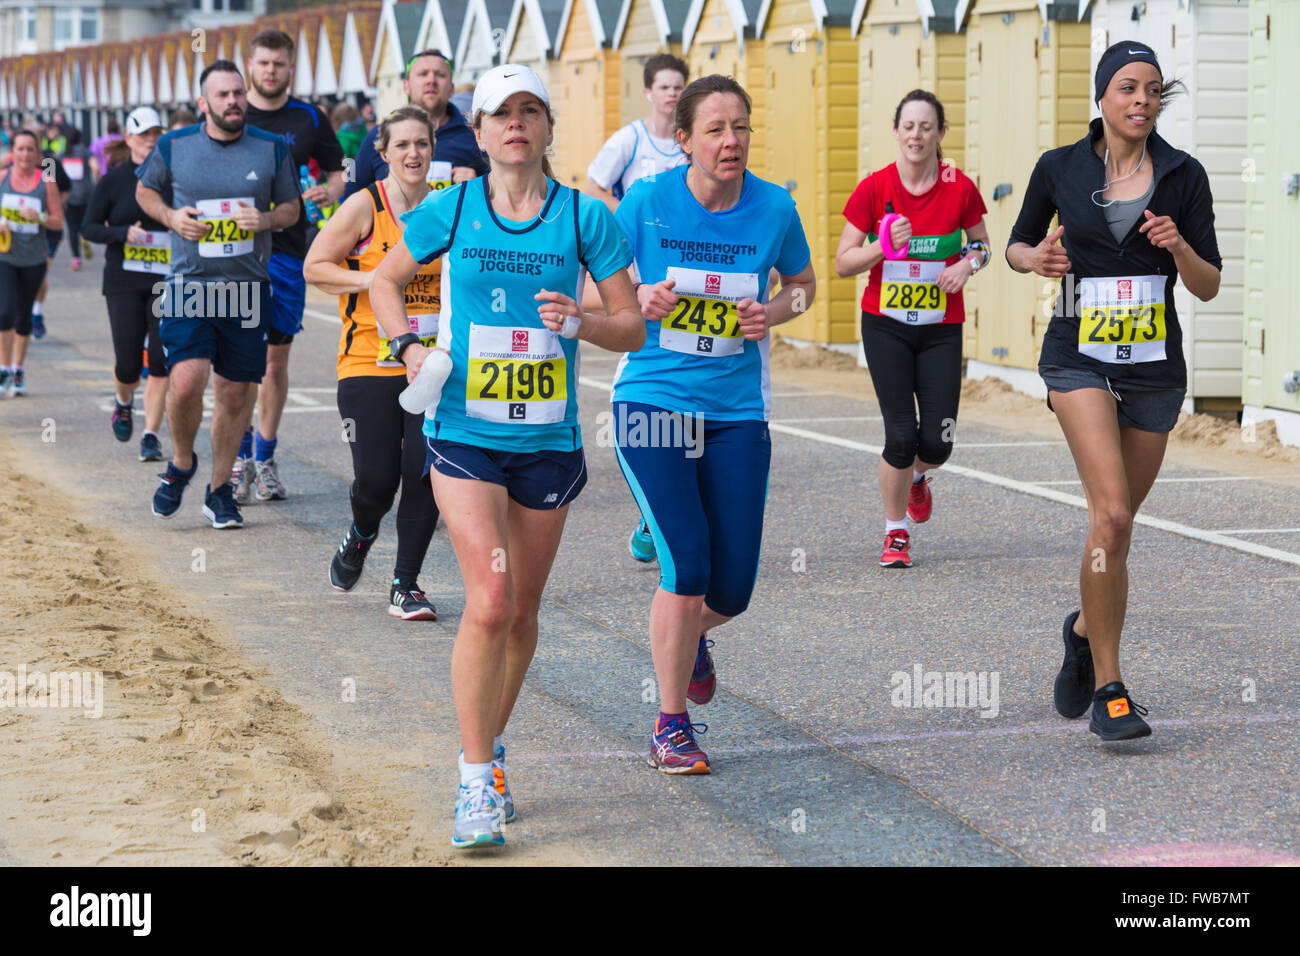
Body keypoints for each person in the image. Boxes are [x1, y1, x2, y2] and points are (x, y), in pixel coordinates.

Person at [370, 64, 641, 847]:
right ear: (480, 133)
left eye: (530, 112)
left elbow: (631, 324)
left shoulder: (586, 219)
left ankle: (490, 756)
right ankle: (473, 778)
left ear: (549, 129)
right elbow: (387, 284)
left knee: (522, 610)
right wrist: (407, 346)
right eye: (500, 115)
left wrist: (583, 322)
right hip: (463, 433)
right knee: (488, 602)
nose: (515, 125)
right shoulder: (451, 209)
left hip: (547, 439)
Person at [1007, 42, 1221, 741]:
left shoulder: (1184, 176)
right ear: (1101, 97)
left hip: (1155, 367)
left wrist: (1178, 245)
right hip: (1078, 356)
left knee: (1112, 531)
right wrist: (1034, 258)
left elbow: (1208, 283)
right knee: (1116, 513)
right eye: (1128, 88)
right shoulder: (1060, 168)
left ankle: (1080, 629)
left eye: (1153, 90)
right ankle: (1111, 689)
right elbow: (1017, 244)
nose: (1141, 101)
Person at [610, 74, 815, 775]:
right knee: (687, 564)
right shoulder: (647, 203)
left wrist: (775, 313)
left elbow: (804, 286)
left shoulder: (774, 207)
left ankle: (691, 634)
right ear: (684, 139)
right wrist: (638, 294)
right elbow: (592, 287)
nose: (732, 141)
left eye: (742, 128)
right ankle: (672, 724)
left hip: (735, 412)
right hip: (653, 402)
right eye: (717, 129)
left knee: (731, 589)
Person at [135, 59, 299, 529]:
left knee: (234, 393)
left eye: (238, 93)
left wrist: (265, 220)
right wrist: (170, 218)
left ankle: (219, 488)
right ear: (203, 103)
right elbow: (145, 192)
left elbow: (292, 209)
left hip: (248, 289)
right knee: (186, 381)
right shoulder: (173, 145)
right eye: (223, 95)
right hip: (190, 285)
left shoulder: (269, 149)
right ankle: (183, 462)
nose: (234, 101)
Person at [835, 90, 990, 569]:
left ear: (941, 133)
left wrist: (966, 267)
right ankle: (895, 530)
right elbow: (843, 263)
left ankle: (919, 477)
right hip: (886, 325)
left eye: (927, 126)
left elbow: (982, 245)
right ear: (896, 132)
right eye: (908, 126)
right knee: (900, 435)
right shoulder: (875, 188)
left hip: (942, 325)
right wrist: (882, 246)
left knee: (939, 440)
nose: (917, 135)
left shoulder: (959, 187)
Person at [303, 105, 442, 621]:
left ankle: (406, 584)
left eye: (422, 144)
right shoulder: (365, 206)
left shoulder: (447, 208)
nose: (413, 153)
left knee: (424, 471)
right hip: (367, 361)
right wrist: (377, 280)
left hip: (429, 365)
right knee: (379, 479)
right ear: (382, 153)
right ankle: (361, 533)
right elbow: (314, 265)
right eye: (402, 145)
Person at [585, 53, 690, 565]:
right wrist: (626, 219)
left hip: (693, 274)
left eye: (678, 86)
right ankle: (655, 505)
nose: (671, 94)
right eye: (664, 86)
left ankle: (667, 500)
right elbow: (593, 187)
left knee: (691, 380)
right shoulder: (631, 141)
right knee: (647, 371)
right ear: (649, 92)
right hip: (642, 268)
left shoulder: (698, 144)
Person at [235, 28, 347, 504]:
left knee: (275, 361)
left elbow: (341, 170)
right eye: (263, 63)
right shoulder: (234, 113)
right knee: (238, 361)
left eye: (279, 64)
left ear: (289, 68)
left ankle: (265, 458)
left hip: (288, 252)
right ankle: (237, 460)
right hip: (235, 255)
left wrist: (331, 191)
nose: (270, 71)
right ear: (251, 65)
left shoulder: (308, 118)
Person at [82, 106, 171, 460]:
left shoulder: (173, 179)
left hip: (166, 281)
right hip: (123, 281)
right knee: (128, 364)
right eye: (144, 135)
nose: (150, 141)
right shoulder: (113, 181)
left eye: (156, 134)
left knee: (163, 360)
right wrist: (122, 233)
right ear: (130, 139)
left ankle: (150, 434)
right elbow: (88, 227)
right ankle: (123, 401)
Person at [343, 50, 487, 200]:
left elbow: (501, 194)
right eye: (423, 74)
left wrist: (478, 185)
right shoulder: (379, 135)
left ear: (451, 89)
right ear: (406, 86)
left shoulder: (474, 136)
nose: (431, 80)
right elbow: (352, 188)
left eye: (440, 74)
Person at [0, 129, 64, 397]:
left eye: (30, 149)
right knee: (4, 312)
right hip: (5, 255)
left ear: (38, 154)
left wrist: (38, 216)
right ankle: (4, 368)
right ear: (11, 152)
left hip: (34, 259)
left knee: (24, 314)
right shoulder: (3, 178)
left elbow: (58, 221)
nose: (25, 154)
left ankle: (18, 369)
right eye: (20, 149)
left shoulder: (46, 181)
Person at [61, 128, 95, 270]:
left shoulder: (63, 155)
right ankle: (85, 238)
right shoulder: (86, 152)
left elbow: (52, 173)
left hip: (70, 196)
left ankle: (76, 259)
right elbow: (96, 167)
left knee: (72, 229)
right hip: (87, 194)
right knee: (85, 223)